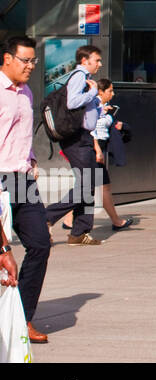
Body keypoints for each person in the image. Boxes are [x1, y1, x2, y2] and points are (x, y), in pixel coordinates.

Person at [0, 35, 51, 344]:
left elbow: (22, 134)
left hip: (23, 179)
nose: (31, 66)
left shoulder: (27, 92)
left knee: (41, 244)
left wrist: (30, 160)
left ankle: (24, 318)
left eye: (34, 61)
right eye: (25, 60)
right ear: (7, 59)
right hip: (0, 179)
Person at [44, 45, 104, 246]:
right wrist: (94, 92)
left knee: (88, 185)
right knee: (86, 185)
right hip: (76, 139)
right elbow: (72, 102)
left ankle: (79, 232)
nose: (99, 64)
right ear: (85, 60)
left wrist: (96, 104)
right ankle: (46, 217)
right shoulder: (80, 75)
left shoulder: (82, 77)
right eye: (96, 60)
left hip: (83, 137)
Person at [88, 79, 133, 231]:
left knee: (93, 186)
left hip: (98, 148)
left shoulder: (101, 107)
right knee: (94, 187)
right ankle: (116, 221)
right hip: (95, 148)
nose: (112, 94)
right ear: (100, 91)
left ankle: (68, 220)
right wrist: (97, 150)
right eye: (110, 91)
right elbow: (91, 128)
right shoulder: (93, 104)